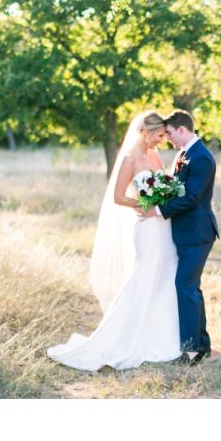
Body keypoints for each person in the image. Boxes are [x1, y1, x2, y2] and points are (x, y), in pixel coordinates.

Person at [47, 111, 181, 371]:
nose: (162, 140)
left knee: (164, 276)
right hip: (145, 228)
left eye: (164, 135)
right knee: (143, 277)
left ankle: (161, 337)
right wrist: (145, 202)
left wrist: (166, 197)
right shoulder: (130, 158)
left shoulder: (153, 156)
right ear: (146, 132)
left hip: (163, 226)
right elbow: (118, 197)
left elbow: (164, 183)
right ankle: (123, 337)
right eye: (159, 135)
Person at [140, 109, 219, 365]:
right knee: (191, 287)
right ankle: (203, 344)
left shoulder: (202, 158)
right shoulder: (183, 154)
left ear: (182, 130)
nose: (169, 138)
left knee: (184, 286)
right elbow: (176, 188)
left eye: (171, 133)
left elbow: (192, 197)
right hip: (185, 233)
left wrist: (159, 210)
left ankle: (190, 351)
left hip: (197, 233)